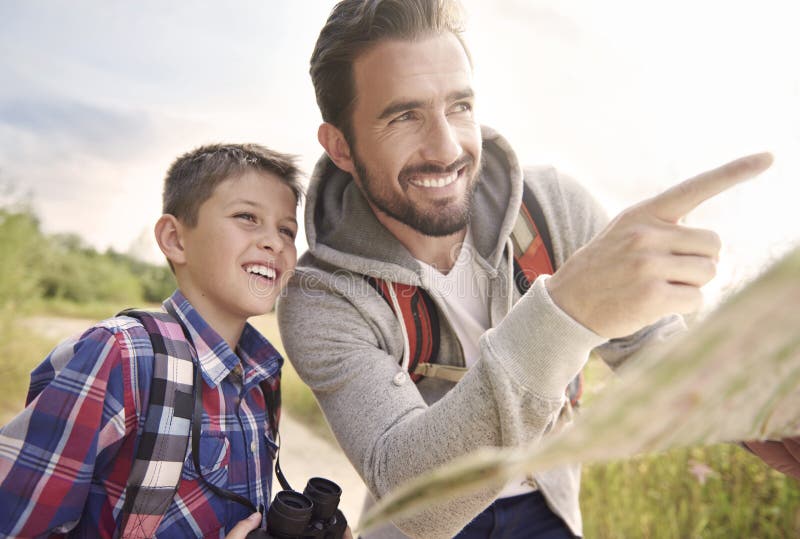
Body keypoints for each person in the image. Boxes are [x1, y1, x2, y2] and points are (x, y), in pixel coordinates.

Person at [276, 1, 773, 538]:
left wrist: (758, 411)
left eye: (459, 106)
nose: (446, 148)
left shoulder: (553, 208)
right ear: (341, 146)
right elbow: (414, 497)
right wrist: (566, 311)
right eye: (404, 116)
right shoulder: (320, 297)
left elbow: (650, 347)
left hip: (547, 503)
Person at [0, 144, 302, 538]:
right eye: (247, 217)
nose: (275, 243)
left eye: (287, 230)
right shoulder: (120, 355)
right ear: (175, 239)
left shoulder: (263, 378)